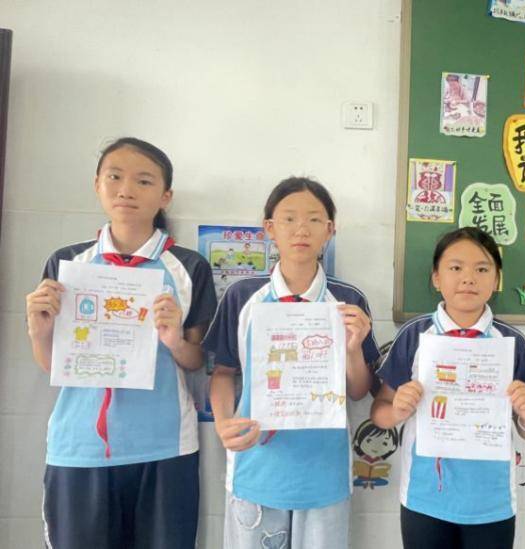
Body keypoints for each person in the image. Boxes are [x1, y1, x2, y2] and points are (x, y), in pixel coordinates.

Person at [26, 137, 217, 549]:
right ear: (97, 185)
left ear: (165, 196)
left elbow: (197, 359)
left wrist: (174, 341)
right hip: (79, 445)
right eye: (114, 177)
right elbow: (54, 365)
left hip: (165, 445)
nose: (126, 190)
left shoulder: (188, 267)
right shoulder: (68, 264)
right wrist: (38, 332)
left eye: (144, 181)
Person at [204, 176, 380, 549]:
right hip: (257, 464)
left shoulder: (347, 300)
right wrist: (223, 423)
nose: (301, 229)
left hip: (324, 470)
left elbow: (358, 391)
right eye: (288, 219)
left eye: (314, 219)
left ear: (330, 230)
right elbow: (222, 373)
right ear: (269, 228)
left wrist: (353, 349)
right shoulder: (243, 296)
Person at [371, 227, 525, 549]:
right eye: (455, 267)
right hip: (425, 496)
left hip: (491, 499)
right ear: (436, 278)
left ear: (496, 280)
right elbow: (379, 413)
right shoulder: (414, 335)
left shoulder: (511, 342)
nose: (468, 279)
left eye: (482, 269)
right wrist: (396, 411)